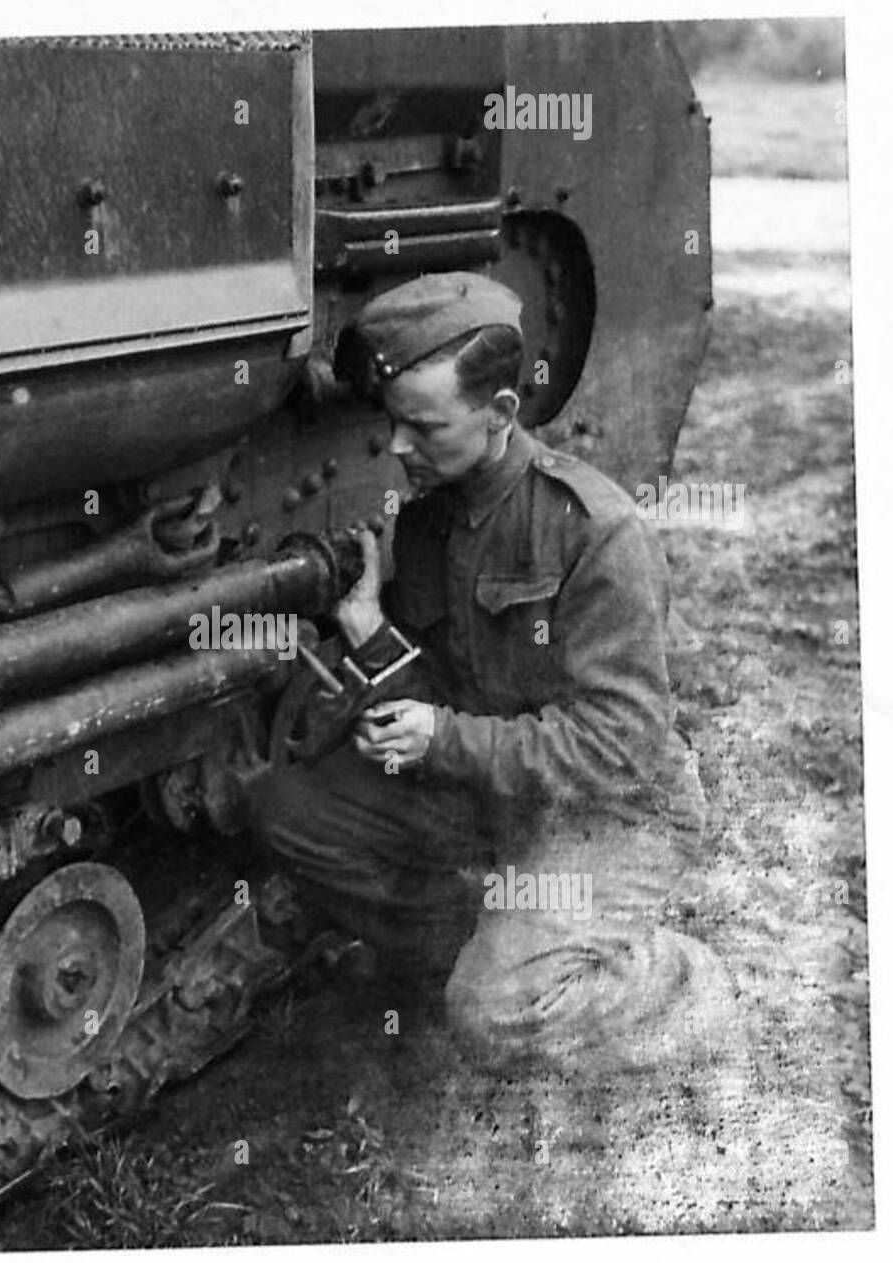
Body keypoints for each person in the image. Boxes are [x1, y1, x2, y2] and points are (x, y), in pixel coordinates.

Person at [247, 271, 736, 1072]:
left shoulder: (594, 531)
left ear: (502, 414)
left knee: (494, 1014)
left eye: (423, 427)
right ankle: (486, 946)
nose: (398, 447)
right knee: (290, 811)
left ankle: (678, 981)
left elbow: (620, 744)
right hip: (498, 802)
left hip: (612, 814)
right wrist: (370, 631)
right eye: (394, 424)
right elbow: (439, 698)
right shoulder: (436, 519)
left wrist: (441, 739)